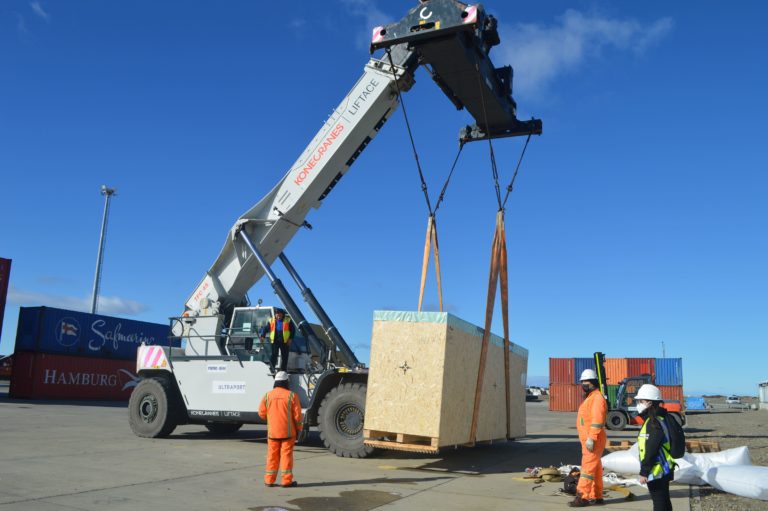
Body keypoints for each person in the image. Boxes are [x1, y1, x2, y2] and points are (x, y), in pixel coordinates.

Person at [635, 384, 677, 511]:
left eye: (640, 401)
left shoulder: (653, 423)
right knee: (664, 500)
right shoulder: (661, 418)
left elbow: (651, 449)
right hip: (665, 468)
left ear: (649, 402)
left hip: (656, 469)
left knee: (659, 502)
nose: (638, 404)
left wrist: (644, 472)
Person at [570, 368, 607, 507]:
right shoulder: (591, 397)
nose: (584, 384)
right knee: (595, 469)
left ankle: (582, 497)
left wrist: (591, 438)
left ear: (593, 382)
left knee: (586, 469)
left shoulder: (597, 398)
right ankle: (597, 496)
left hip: (593, 440)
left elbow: (598, 420)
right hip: (590, 440)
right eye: (582, 382)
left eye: (586, 381)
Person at [258, 371, 303, 488]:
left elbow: (261, 413)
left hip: (273, 433)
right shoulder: (292, 396)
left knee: (272, 456)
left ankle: (269, 480)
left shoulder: (267, 396)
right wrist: (300, 429)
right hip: (288, 433)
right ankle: (286, 481)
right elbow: (298, 417)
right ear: (286, 382)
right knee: (286, 457)